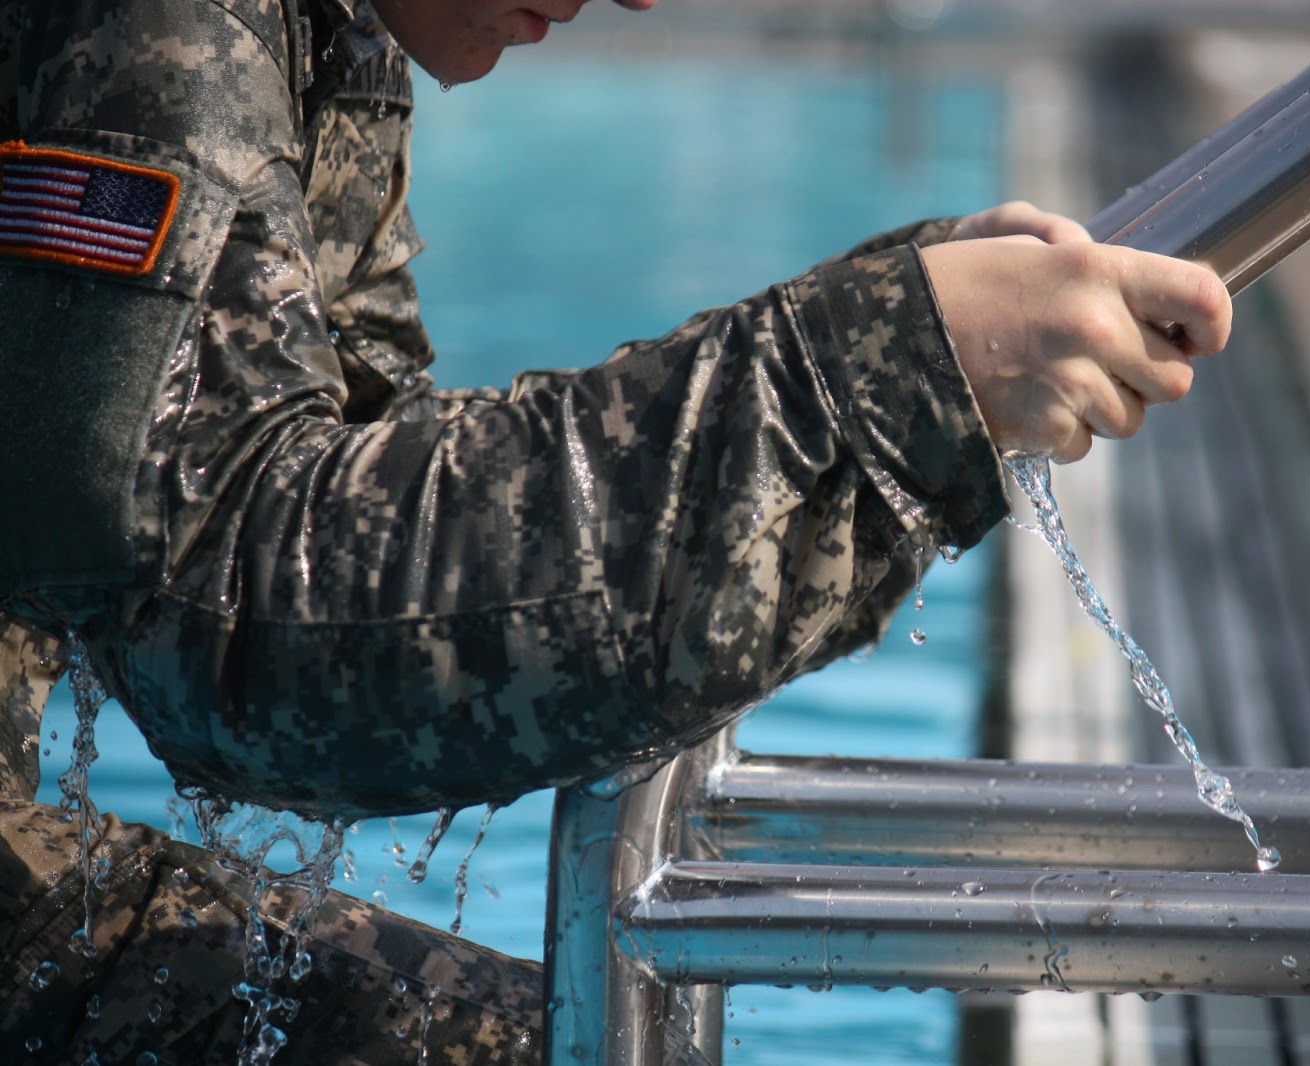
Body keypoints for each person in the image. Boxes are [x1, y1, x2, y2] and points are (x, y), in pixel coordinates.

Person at [0, 0, 1232, 1060]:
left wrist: (902, 343)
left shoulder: (330, 30)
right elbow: (230, 628)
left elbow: (361, 487)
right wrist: (874, 380)